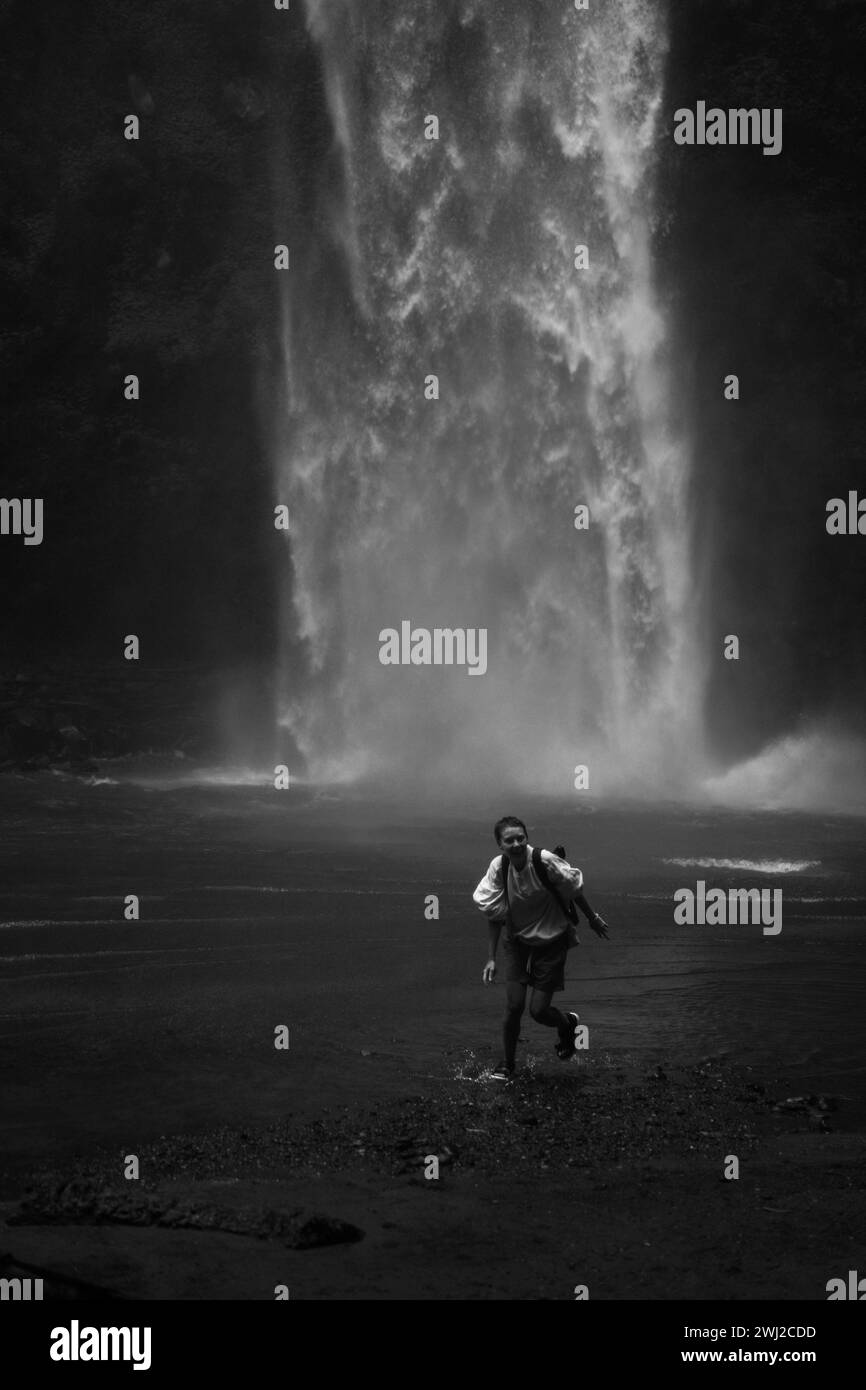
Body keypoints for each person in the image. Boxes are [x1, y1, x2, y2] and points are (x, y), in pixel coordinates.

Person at [473, 815, 609, 1080]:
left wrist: (592, 918)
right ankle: (507, 1065)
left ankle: (567, 1023)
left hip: (551, 941)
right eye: (508, 840)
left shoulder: (544, 861)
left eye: (520, 838)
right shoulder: (499, 867)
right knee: (514, 1006)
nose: (515, 844)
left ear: (527, 838)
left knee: (538, 1011)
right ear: (500, 845)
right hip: (517, 942)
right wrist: (490, 958)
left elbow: (573, 889)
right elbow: (494, 912)